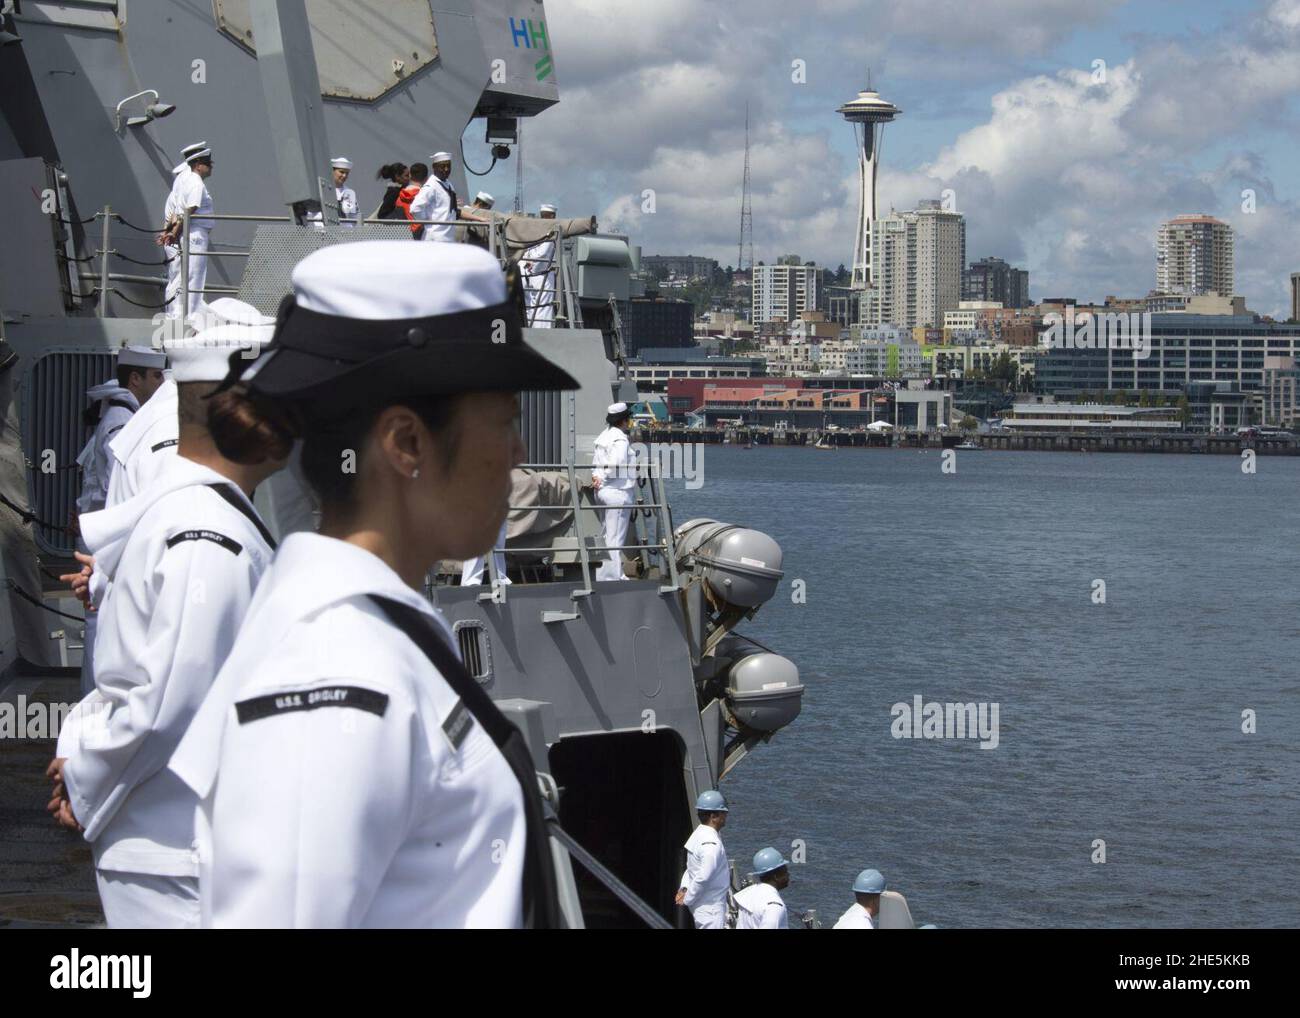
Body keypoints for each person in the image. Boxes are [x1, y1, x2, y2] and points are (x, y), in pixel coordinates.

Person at [169, 240, 579, 928]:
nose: (517, 453)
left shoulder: (382, 631)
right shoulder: (332, 674)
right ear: (406, 444)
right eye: (506, 421)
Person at [48, 316, 285, 929]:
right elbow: (166, 700)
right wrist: (86, 783)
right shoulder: (209, 536)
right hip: (178, 851)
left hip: (174, 839)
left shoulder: (195, 515)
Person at [73, 346, 166, 696]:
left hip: (102, 531)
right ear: (136, 378)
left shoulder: (118, 413)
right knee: (100, 621)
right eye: (156, 375)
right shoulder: (122, 421)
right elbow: (118, 485)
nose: (161, 381)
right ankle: (92, 704)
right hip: (107, 538)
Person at [159, 144, 215, 323]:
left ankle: (175, 315)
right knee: (194, 276)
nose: (211, 166)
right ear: (198, 165)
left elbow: (177, 213)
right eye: (208, 163)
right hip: (195, 234)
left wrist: (170, 232)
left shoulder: (184, 184)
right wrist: (173, 232)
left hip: (187, 233)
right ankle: (189, 318)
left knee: (179, 277)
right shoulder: (196, 183)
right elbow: (190, 210)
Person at [590, 402, 637, 581]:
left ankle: (607, 573)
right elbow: (616, 464)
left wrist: (598, 477)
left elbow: (595, 464)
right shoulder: (620, 439)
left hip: (602, 492)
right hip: (617, 492)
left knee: (607, 534)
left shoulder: (604, 436)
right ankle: (612, 577)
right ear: (624, 421)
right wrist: (606, 477)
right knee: (615, 537)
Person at [675, 790, 730, 930]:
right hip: (711, 908)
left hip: (703, 906)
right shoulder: (711, 843)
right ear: (713, 816)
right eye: (723, 812)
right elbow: (704, 875)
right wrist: (688, 898)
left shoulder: (698, 835)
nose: (726, 816)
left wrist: (684, 888)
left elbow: (691, 868)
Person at [733, 848, 790, 929]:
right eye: (785, 872)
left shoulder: (750, 893)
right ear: (776, 876)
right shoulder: (774, 906)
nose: (788, 874)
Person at [520, 203, 557, 326]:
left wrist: (529, 264)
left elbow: (528, 249)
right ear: (553, 216)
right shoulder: (551, 232)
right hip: (543, 275)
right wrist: (533, 265)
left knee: (531, 305)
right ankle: (542, 332)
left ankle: (531, 328)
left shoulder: (536, 231)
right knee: (543, 307)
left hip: (530, 274)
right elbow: (543, 253)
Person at [409, 152, 458, 242]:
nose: (446, 169)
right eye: (442, 166)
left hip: (448, 236)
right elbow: (415, 208)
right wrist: (427, 221)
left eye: (448, 166)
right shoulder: (431, 186)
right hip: (435, 238)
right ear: (434, 167)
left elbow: (451, 211)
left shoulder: (448, 184)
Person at [397, 163, 427, 237]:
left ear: (410, 176)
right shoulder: (425, 197)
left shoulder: (399, 198)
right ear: (426, 178)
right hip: (422, 236)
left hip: (403, 237)